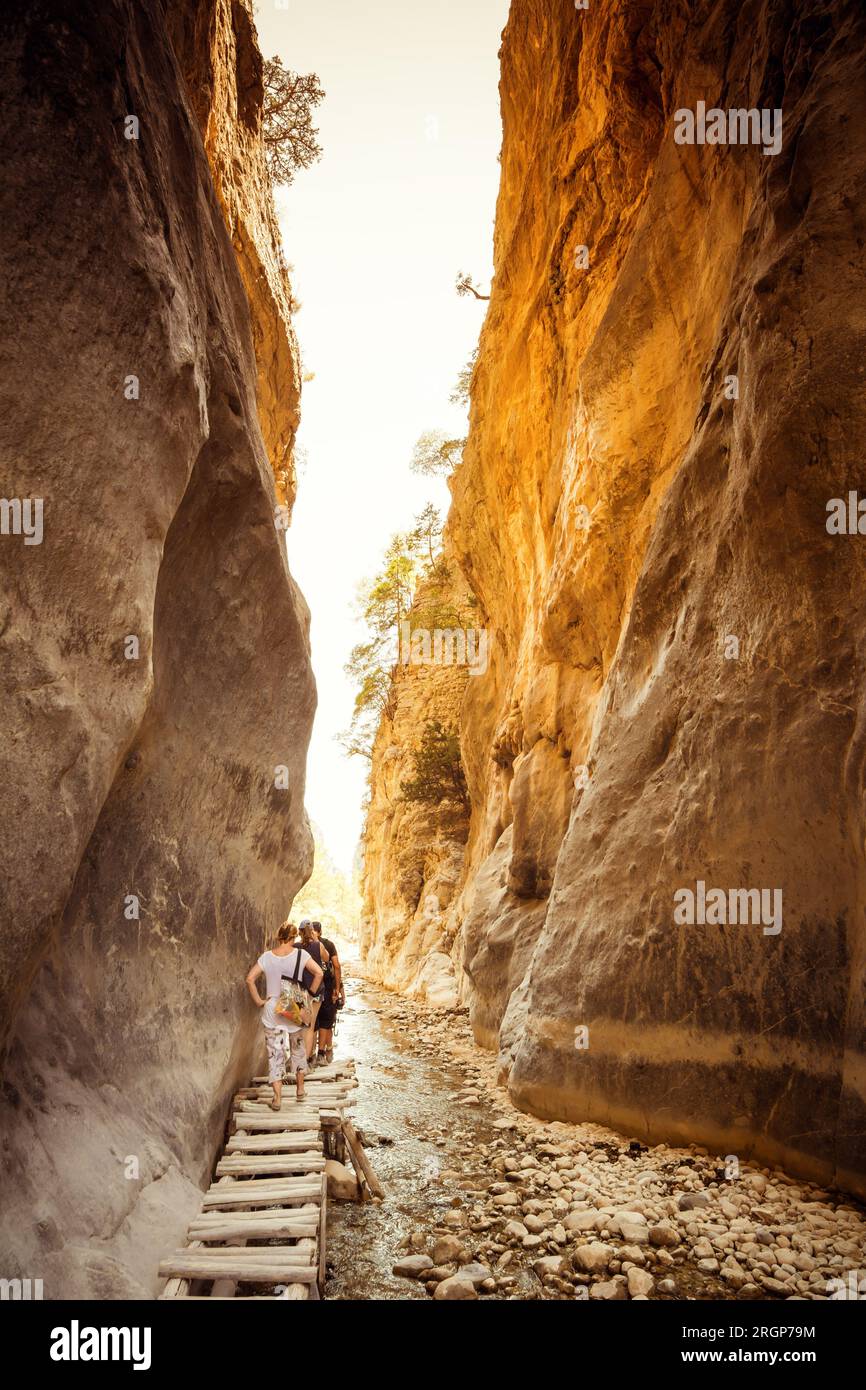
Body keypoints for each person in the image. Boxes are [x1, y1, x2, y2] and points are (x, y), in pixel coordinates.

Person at [245, 921, 323, 1108]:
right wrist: (310, 996)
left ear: (279, 936)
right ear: (294, 936)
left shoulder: (266, 957)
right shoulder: (301, 955)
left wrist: (259, 1001)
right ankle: (300, 1090)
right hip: (293, 1008)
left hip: (272, 1009)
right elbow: (319, 973)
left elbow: (249, 979)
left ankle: (278, 1098)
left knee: (275, 1054)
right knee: (297, 1048)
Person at [311, 920, 343, 1067]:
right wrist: (338, 988)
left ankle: (308, 1055)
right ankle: (321, 1054)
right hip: (327, 986)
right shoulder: (328, 945)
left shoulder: (301, 944)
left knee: (311, 1022)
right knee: (325, 1022)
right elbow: (336, 965)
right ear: (321, 931)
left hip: (309, 987)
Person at [297, 920, 330, 1063]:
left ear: (299, 932)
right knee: (310, 1027)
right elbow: (327, 958)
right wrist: (315, 940)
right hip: (316, 990)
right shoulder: (318, 945)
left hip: (300, 989)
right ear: (311, 931)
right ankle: (307, 1060)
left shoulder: (295, 947)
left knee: (300, 1026)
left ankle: (299, 1060)